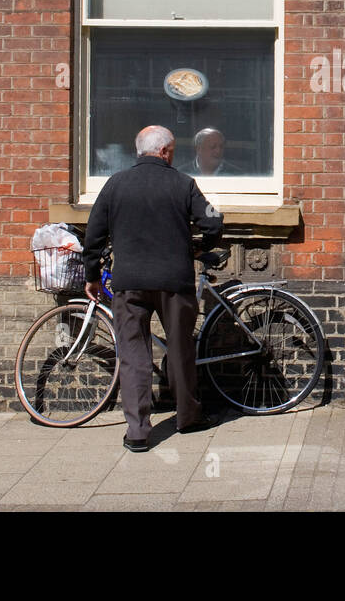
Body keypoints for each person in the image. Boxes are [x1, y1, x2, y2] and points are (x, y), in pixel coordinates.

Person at [82, 124, 223, 452]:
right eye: (172, 150)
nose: (173, 155)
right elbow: (214, 222)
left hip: (129, 282)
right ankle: (188, 417)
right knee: (180, 349)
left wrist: (91, 275)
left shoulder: (115, 185)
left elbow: (94, 235)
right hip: (175, 282)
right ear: (164, 151)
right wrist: (201, 248)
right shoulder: (183, 184)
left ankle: (138, 432)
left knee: (133, 356)